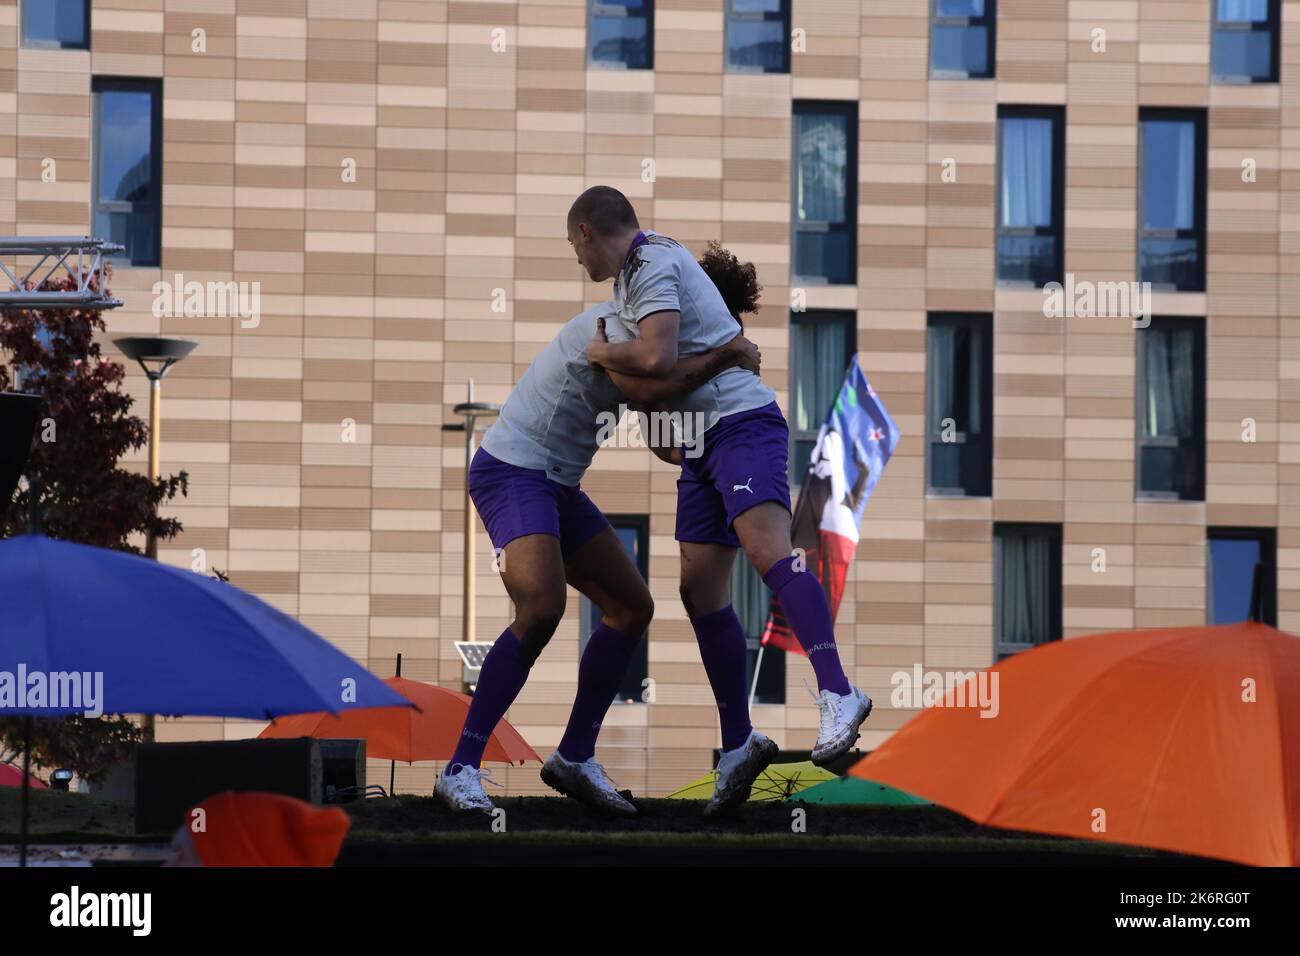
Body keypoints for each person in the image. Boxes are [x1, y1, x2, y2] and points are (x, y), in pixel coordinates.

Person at [569, 187, 874, 799]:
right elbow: (656, 410)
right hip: (705, 443)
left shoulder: (651, 262)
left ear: (586, 232)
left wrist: (602, 353)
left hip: (741, 424)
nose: (578, 262)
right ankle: (738, 743)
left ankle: (840, 692)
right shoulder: (630, 285)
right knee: (698, 588)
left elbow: (653, 359)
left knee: (768, 553)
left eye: (574, 248)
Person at [435, 298, 761, 816]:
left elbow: (663, 435)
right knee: (542, 607)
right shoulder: (617, 329)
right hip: (512, 471)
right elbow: (650, 388)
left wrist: (723, 459)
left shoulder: (659, 341)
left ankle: (574, 755)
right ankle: (460, 768)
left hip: (557, 483)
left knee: (632, 606)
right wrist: (729, 355)